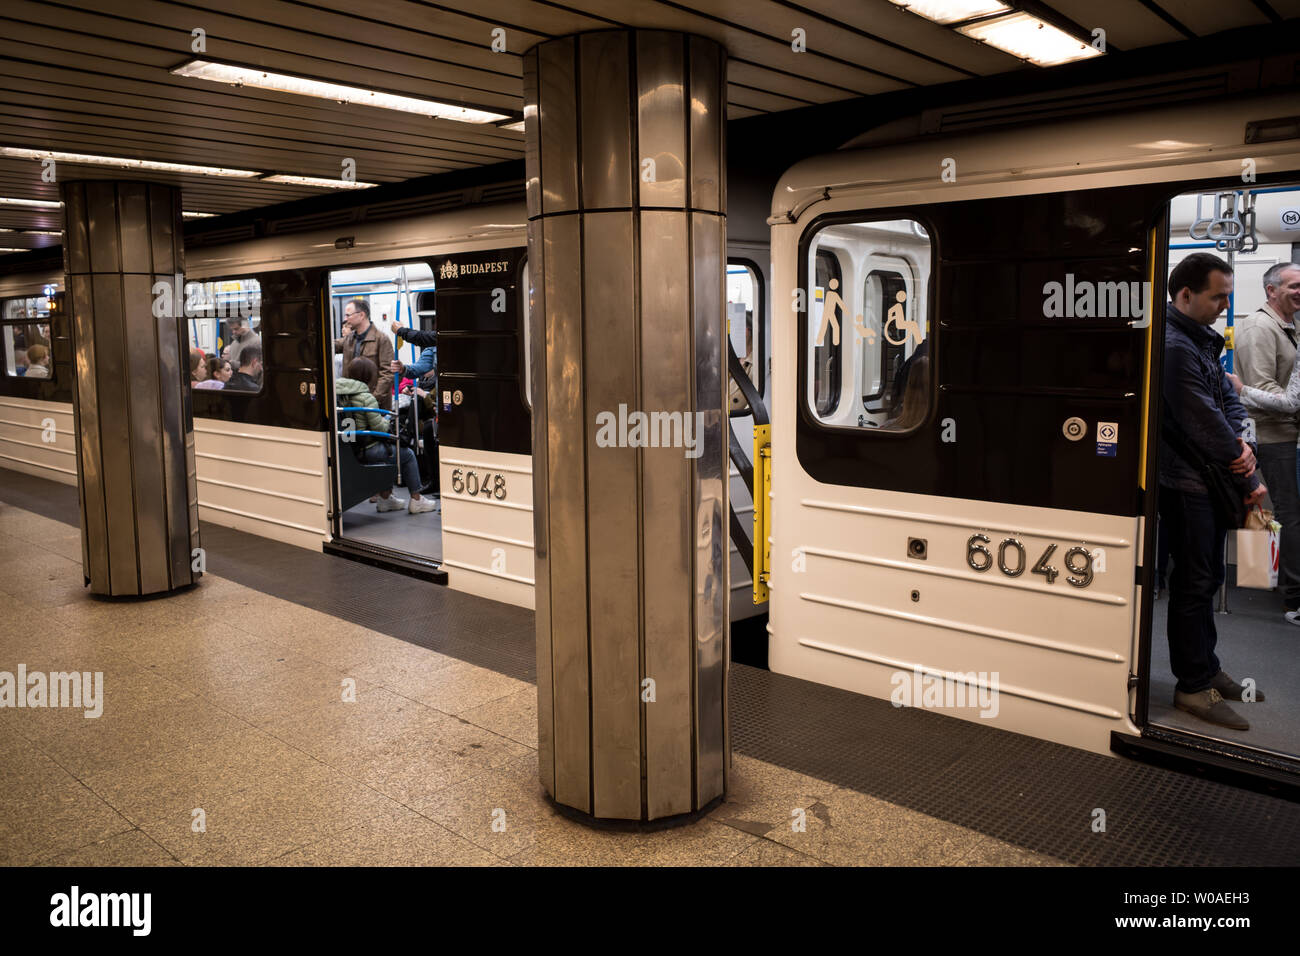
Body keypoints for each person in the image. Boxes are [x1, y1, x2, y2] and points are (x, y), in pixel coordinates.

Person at [1160, 252, 1267, 732]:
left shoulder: (1199, 340)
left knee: (1205, 584)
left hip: (1207, 477)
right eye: (1217, 296)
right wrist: (1243, 462)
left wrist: (1241, 439)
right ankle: (1192, 684)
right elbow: (1202, 420)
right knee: (1194, 584)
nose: (1225, 305)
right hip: (1187, 484)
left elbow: (1226, 397)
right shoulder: (1174, 347)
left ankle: (1208, 667)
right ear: (1185, 295)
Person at [1231, 261, 1300, 622]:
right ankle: (1292, 600)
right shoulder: (1260, 327)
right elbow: (1261, 390)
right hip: (1271, 434)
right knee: (1284, 514)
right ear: (1271, 290)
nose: (1299, 291)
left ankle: (1266, 584)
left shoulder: (1288, 326)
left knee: (1275, 513)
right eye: (1293, 285)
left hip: (1282, 431)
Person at [336, 357, 435, 514]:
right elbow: (380, 429)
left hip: (352, 447)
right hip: (368, 448)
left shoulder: (340, 395)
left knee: (389, 454)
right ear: (368, 376)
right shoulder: (365, 397)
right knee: (407, 455)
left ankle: (385, 497)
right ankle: (417, 499)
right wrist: (387, 419)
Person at [334, 299, 394, 410]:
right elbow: (332, 346)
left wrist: (372, 400)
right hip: (351, 404)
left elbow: (387, 374)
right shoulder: (349, 339)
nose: (345, 319)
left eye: (348, 315)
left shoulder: (381, 339)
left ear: (361, 315)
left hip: (374, 406)